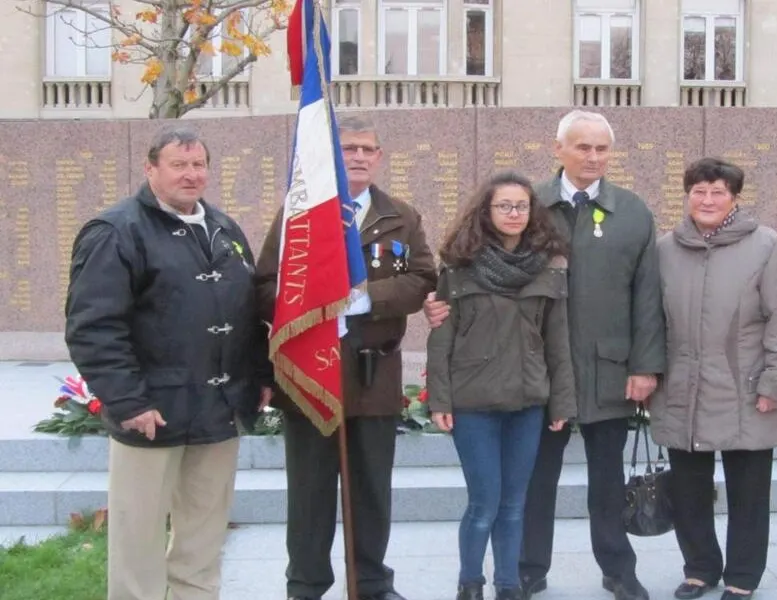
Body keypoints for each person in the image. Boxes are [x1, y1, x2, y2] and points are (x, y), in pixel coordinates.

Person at [424, 110, 665, 600]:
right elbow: (476, 267)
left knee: (606, 477)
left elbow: (647, 295)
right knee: (532, 481)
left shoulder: (633, 212)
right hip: (533, 372)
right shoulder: (530, 205)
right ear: (559, 149)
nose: (593, 157)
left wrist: (645, 365)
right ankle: (526, 568)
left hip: (607, 369)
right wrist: (437, 304)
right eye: (582, 147)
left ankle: (618, 568)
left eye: (601, 148)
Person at [64, 125, 273, 600]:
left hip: (218, 410)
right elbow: (93, 326)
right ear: (150, 168)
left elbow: (247, 312)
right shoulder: (117, 231)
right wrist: (127, 400)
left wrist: (260, 375)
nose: (191, 174)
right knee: (138, 545)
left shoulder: (223, 228)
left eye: (199, 164)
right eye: (179, 165)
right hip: (150, 414)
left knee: (202, 541)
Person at [255, 114, 436, 600]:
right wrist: (308, 305)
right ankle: (307, 584)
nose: (358, 157)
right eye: (348, 149)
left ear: (379, 158)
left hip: (372, 372)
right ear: (332, 158)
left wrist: (361, 298)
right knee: (311, 490)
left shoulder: (400, 214)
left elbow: (422, 279)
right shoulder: (299, 215)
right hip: (311, 371)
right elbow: (266, 283)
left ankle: (372, 582)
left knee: (372, 488)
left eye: (366, 150)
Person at [649, 158, 777, 600]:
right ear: (687, 196)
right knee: (688, 490)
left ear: (735, 198)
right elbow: (652, 318)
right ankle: (699, 568)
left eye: (718, 191)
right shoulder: (665, 249)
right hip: (683, 386)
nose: (708, 200)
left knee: (749, 492)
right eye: (699, 191)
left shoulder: (767, 246)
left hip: (747, 387)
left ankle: (742, 576)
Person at [425, 171, 577, 600]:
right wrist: (440, 398)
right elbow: (442, 338)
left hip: (527, 402)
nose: (514, 213)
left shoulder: (549, 266)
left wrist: (562, 403)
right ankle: (470, 583)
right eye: (504, 206)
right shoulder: (458, 267)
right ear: (486, 213)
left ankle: (508, 585)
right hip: (474, 403)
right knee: (484, 504)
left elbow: (558, 340)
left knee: (514, 505)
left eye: (522, 206)